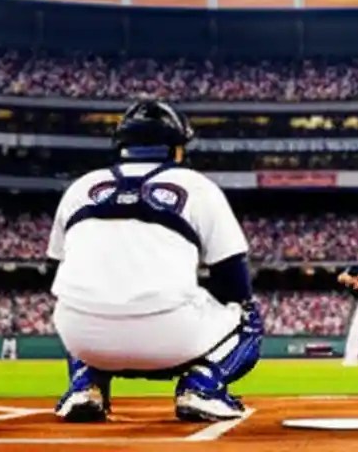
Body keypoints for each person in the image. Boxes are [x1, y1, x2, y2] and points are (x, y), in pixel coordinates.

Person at [48, 99, 261, 423]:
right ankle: (202, 386)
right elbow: (234, 279)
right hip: (171, 338)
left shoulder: (81, 186)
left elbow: (53, 271)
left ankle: (84, 385)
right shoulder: (198, 186)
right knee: (248, 317)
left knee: (72, 298)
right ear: (177, 148)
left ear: (121, 144)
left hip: (85, 340)